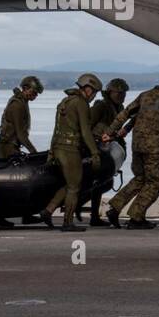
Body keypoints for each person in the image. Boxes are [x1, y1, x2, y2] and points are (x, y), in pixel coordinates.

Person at [103, 73, 159, 229]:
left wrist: (110, 132)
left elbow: (127, 113)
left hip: (137, 144)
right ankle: (136, 218)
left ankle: (115, 208)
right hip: (155, 145)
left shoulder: (146, 95)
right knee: (154, 183)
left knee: (140, 178)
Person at [41, 73, 103, 232]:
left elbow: (56, 129)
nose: (93, 96)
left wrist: (51, 151)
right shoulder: (80, 104)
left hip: (59, 147)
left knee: (69, 184)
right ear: (88, 89)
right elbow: (85, 131)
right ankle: (67, 222)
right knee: (75, 187)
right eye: (94, 92)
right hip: (70, 149)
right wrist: (95, 152)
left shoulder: (65, 101)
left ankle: (48, 210)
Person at [0, 75, 43, 227]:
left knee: (21, 183)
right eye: (33, 93)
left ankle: (26, 214)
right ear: (26, 89)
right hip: (7, 147)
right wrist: (34, 152)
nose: (34, 96)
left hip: (12, 146)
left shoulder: (22, 102)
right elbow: (20, 134)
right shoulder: (17, 105)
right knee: (7, 185)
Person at [85, 77, 128, 226]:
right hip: (97, 148)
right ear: (110, 92)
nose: (121, 96)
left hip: (109, 150)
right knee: (99, 183)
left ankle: (93, 215)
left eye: (123, 93)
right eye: (118, 93)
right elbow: (87, 126)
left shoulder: (120, 108)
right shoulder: (101, 106)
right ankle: (93, 216)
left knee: (105, 184)